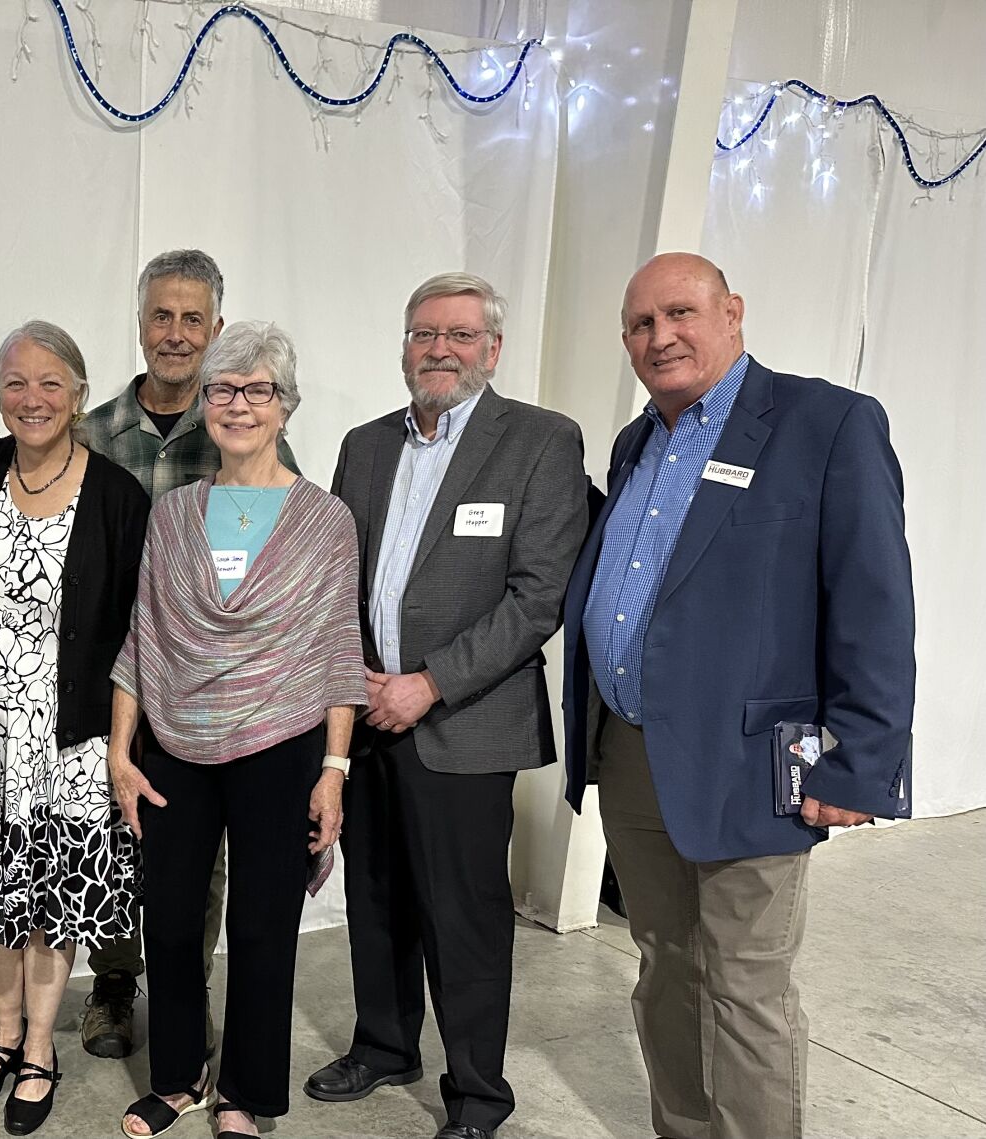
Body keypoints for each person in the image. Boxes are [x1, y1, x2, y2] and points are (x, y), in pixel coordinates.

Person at [562, 252, 915, 1139]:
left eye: (679, 312)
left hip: (753, 760)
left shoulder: (825, 423)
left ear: (732, 313)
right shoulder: (636, 440)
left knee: (745, 986)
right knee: (663, 964)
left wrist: (860, 761)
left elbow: (873, 603)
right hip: (631, 750)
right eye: (640, 323)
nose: (660, 336)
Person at [310, 273, 589, 1139]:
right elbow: (337, 576)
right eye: (423, 334)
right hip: (364, 716)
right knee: (375, 896)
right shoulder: (363, 446)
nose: (439, 349)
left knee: (463, 918)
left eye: (460, 335)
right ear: (403, 347)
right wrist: (352, 680)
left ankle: (475, 1093)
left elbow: (537, 595)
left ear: (492, 349)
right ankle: (382, 1044)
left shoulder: (539, 441)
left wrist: (427, 683)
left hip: (463, 722)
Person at [112, 320, 366, 1139]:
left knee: (262, 927)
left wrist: (333, 769)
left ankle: (243, 1094)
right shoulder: (174, 514)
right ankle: (179, 1075)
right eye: (222, 389)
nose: (238, 404)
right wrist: (119, 749)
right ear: (204, 404)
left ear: (284, 404)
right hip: (176, 744)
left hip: (282, 744)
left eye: (257, 390)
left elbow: (339, 648)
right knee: (170, 919)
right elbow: (143, 636)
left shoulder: (325, 520)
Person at [0, 320, 147, 1136]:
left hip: (67, 736)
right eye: (15, 381)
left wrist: (125, 741)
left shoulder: (116, 495)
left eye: (50, 382)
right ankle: (3, 1032)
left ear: (78, 394)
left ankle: (41, 1045)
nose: (31, 397)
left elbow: (138, 632)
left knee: (52, 895)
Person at [80, 249, 298, 1058]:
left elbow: (291, 563)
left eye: (192, 318)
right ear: (140, 324)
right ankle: (112, 985)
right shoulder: (90, 434)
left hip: (212, 694)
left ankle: (185, 991)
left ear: (216, 326)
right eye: (161, 316)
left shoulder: (247, 430)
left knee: (199, 860)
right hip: (109, 674)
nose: (175, 333)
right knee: (113, 835)